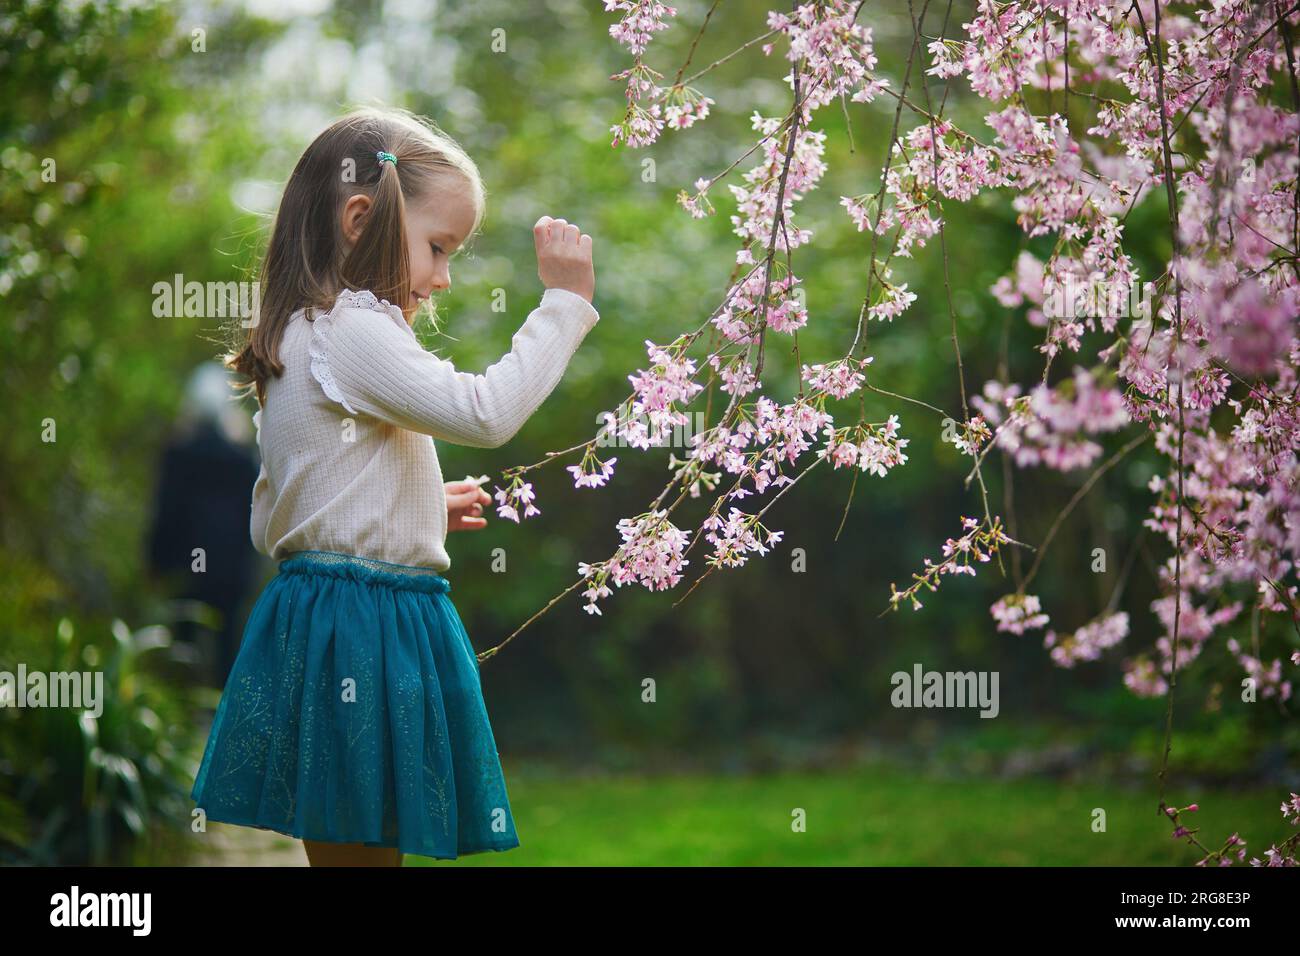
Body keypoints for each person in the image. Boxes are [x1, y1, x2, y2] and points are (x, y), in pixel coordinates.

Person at [189, 106, 599, 867]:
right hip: (363, 623)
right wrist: (565, 305)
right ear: (359, 218)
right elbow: (486, 412)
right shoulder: (353, 328)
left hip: (328, 612)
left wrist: (408, 505)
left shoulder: (297, 334)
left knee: (357, 853)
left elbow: (280, 507)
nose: (442, 278)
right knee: (365, 854)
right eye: (438, 247)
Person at [146, 362, 261, 690]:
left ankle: (179, 711)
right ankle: (219, 719)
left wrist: (156, 561)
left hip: (187, 569)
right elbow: (252, 516)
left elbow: (167, 511)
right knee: (227, 648)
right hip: (231, 571)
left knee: (182, 646)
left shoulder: (179, 453)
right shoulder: (241, 459)